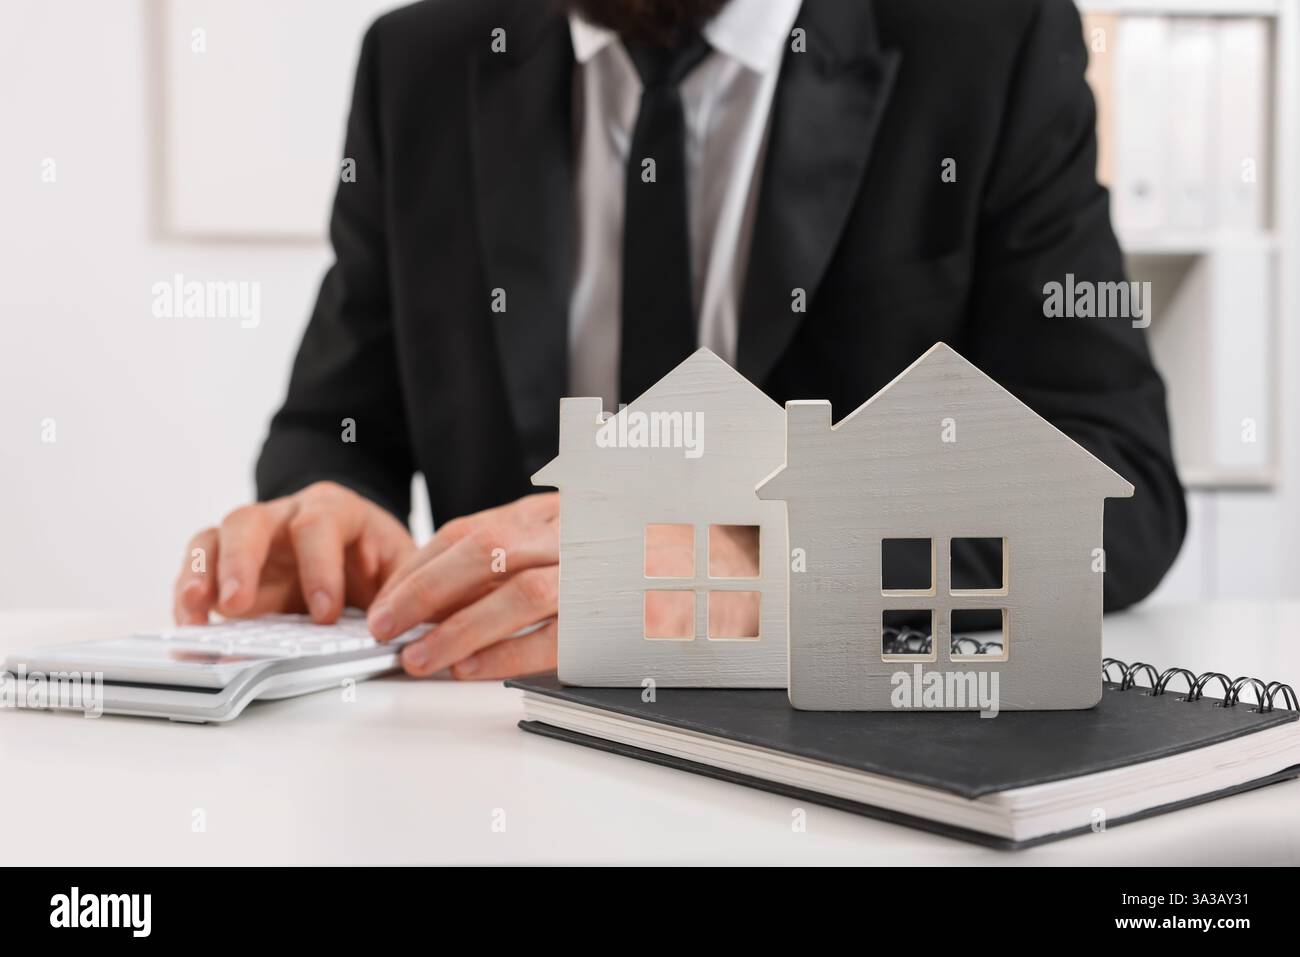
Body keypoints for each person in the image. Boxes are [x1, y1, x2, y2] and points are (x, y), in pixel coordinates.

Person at [171, 0, 1187, 680]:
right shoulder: (423, 61)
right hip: (486, 760)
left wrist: (771, 566)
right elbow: (339, 421)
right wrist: (332, 508)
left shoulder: (988, 39)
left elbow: (1117, 483)